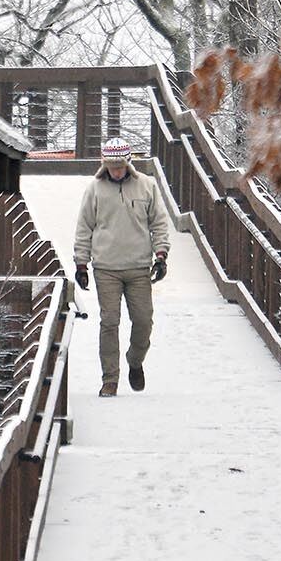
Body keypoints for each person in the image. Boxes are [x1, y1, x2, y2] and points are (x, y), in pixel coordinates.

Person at [73, 136, 170, 397]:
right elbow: (84, 227)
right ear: (104, 165)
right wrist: (81, 263)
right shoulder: (95, 189)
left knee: (143, 321)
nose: (115, 170)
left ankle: (135, 360)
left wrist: (161, 255)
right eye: (110, 166)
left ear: (128, 163)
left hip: (139, 266)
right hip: (106, 266)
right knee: (109, 321)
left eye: (119, 165)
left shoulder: (146, 186)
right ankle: (110, 379)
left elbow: (159, 223)